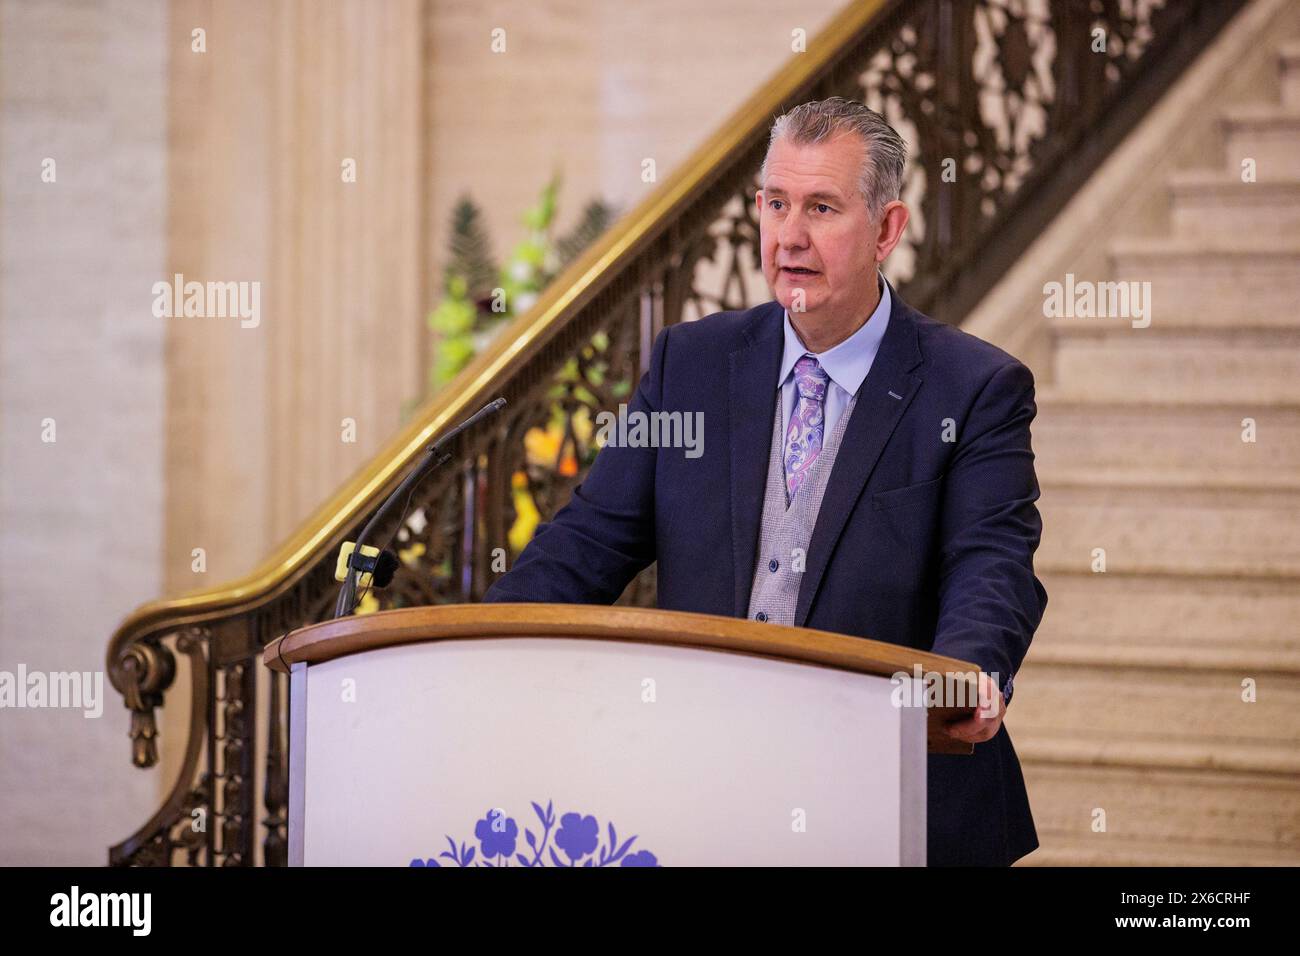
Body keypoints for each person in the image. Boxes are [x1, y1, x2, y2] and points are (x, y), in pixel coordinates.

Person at [485, 96, 1047, 866]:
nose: (789, 235)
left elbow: (990, 563)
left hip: (899, 798)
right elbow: (589, 539)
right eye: (775, 203)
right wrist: (478, 649)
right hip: (712, 796)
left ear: (886, 229)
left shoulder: (973, 387)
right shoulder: (689, 365)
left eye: (821, 207)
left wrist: (966, 675)